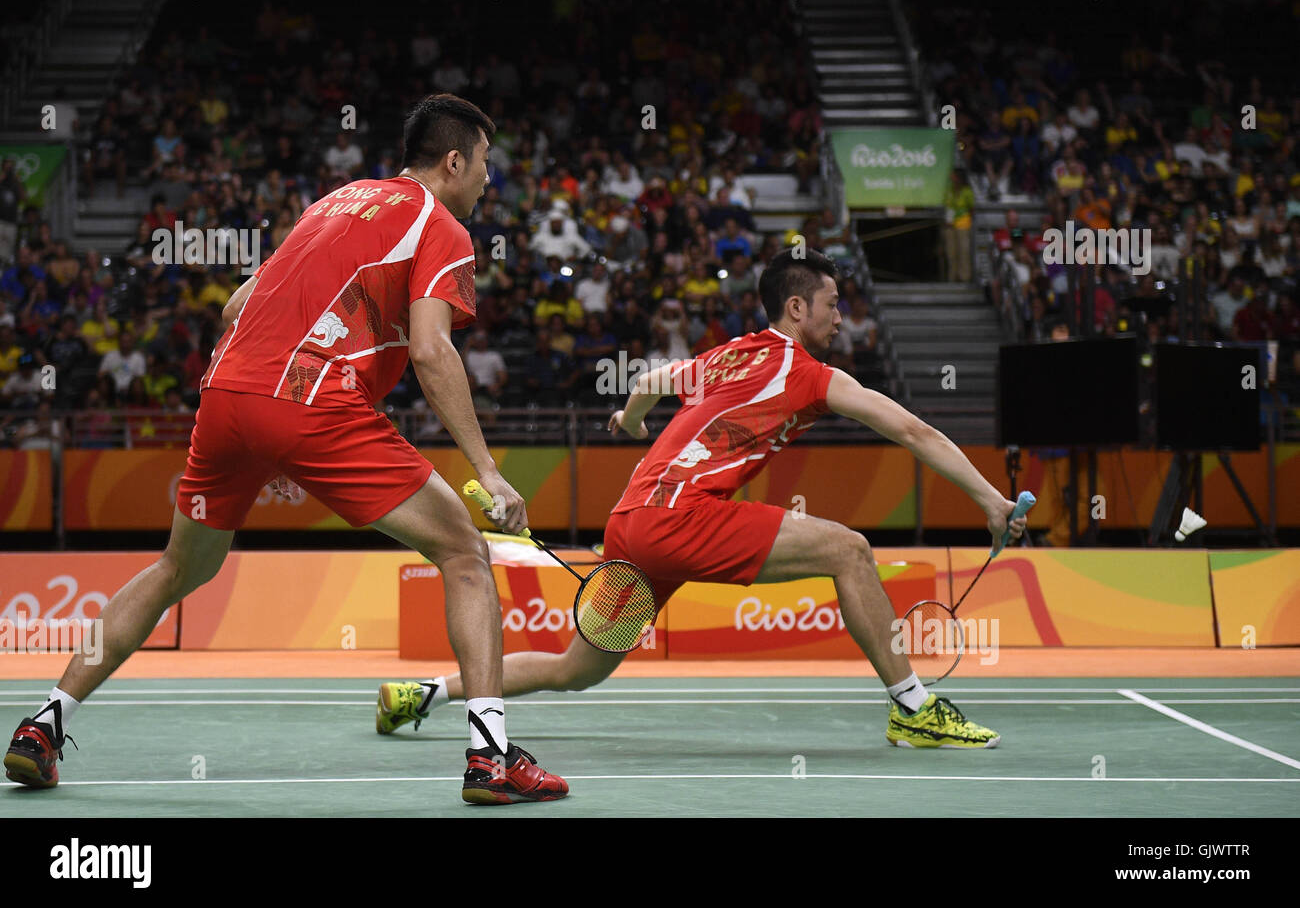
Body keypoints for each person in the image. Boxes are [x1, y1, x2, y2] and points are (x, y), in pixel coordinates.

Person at [4, 93, 567, 805]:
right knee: (464, 553)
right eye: (485, 162)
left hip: (227, 392)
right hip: (313, 397)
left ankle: (43, 725)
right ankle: (490, 758)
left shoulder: (335, 202)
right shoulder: (442, 227)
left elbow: (234, 307)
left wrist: (268, 415)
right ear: (454, 162)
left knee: (178, 567)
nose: (490, 178)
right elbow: (432, 349)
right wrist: (488, 469)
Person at [376, 249, 1027, 749]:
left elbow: (651, 382)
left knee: (577, 668)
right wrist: (991, 501)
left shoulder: (728, 357)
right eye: (832, 304)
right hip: (680, 518)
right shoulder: (807, 373)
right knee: (850, 550)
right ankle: (913, 708)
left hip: (631, 524)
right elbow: (913, 430)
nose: (840, 316)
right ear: (796, 308)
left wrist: (632, 422)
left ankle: (422, 692)